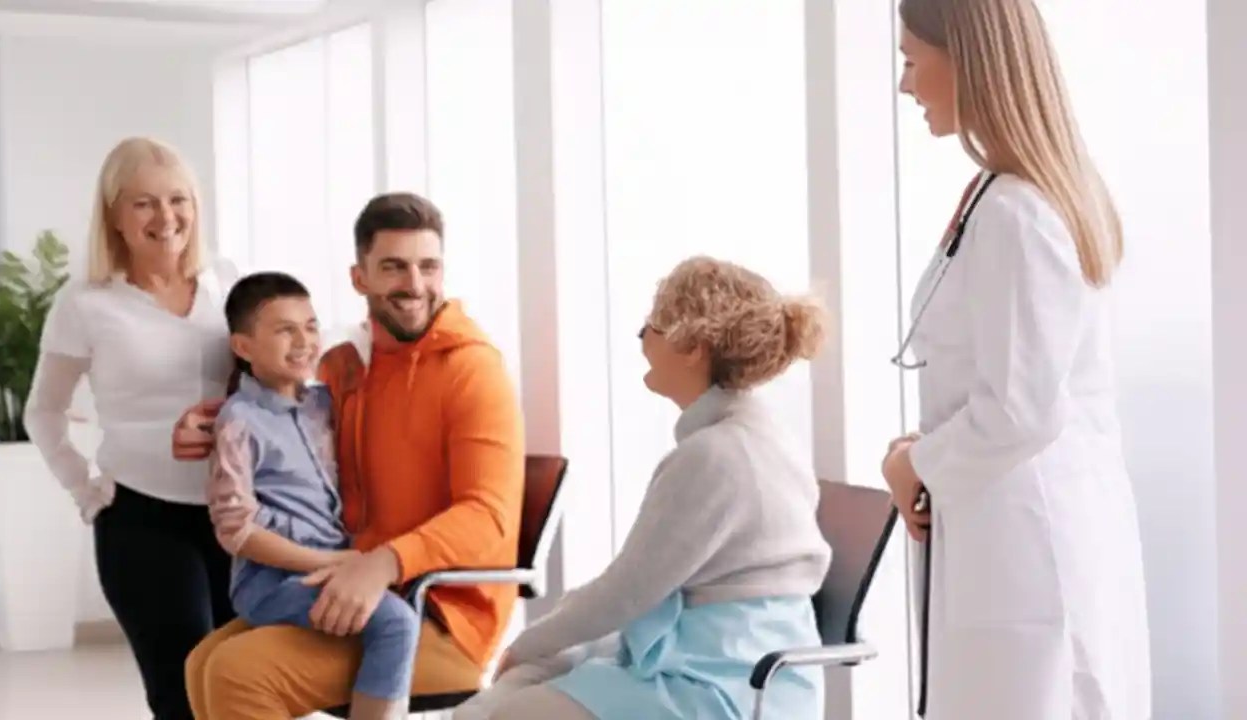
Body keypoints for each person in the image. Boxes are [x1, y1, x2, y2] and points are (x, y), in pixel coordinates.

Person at [884, 1, 1150, 718]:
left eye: (912, 61)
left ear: (968, 61)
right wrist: (923, 453)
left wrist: (916, 464)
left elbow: (1022, 412)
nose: (905, 85)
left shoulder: (1017, 212)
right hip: (1019, 538)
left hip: (1029, 552)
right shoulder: (1006, 197)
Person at [180, 192, 525, 719]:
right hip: (353, 578)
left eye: (428, 266)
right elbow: (279, 411)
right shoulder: (348, 366)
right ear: (359, 278)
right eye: (393, 267)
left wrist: (384, 563)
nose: (414, 284)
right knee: (202, 661)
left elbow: (488, 515)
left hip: (441, 616)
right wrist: (203, 424)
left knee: (238, 672)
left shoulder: (472, 370)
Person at [453, 256, 833, 720]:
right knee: (525, 681)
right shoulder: (760, 436)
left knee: (514, 710)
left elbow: (626, 592)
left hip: (723, 686)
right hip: (731, 665)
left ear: (692, 348)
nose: (642, 340)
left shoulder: (713, 456)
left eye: (651, 327)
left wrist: (528, 642)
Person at [23, 136, 239, 719]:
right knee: (182, 695)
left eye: (177, 199)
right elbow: (43, 411)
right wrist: (83, 487)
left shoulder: (225, 281)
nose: (165, 217)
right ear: (114, 215)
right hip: (144, 521)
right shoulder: (85, 302)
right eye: (143, 203)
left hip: (235, 515)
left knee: (243, 688)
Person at [209, 271, 420, 720]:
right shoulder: (239, 421)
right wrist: (329, 562)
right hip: (271, 581)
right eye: (285, 330)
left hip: (335, 562)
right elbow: (236, 531)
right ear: (243, 347)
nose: (304, 341)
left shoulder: (323, 404)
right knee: (397, 622)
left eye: (310, 326)